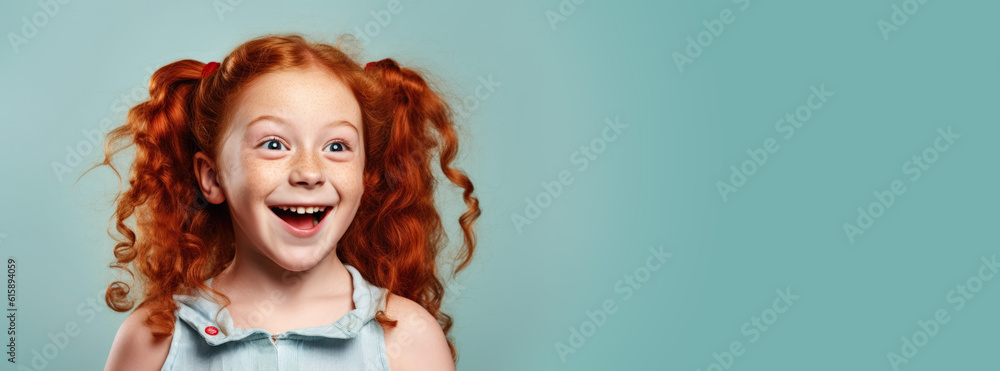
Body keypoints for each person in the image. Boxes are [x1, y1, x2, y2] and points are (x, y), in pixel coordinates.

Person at [91, 33, 481, 370]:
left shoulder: (408, 337)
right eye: (274, 144)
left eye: (336, 146)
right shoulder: (154, 338)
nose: (309, 172)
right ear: (212, 177)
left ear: (364, 177)